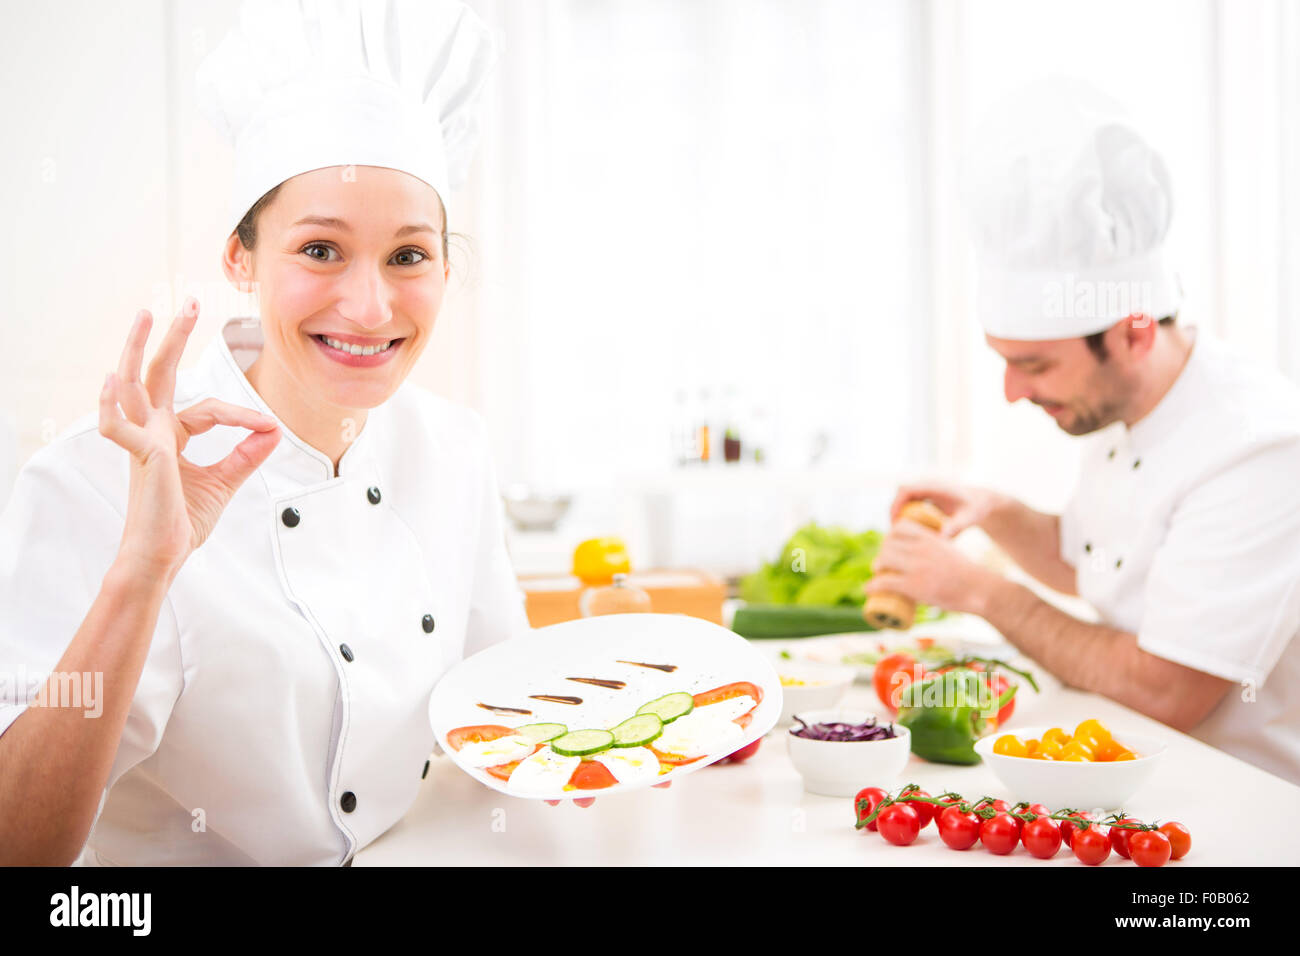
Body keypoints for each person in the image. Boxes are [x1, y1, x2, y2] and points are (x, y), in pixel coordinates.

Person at [0, 0, 531, 865]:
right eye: (320, 250)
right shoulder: (95, 480)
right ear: (240, 258)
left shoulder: (454, 450)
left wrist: (641, 732)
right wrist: (144, 571)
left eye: (408, 255)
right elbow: (16, 848)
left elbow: (508, 708)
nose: (370, 307)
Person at [867, 80, 1300, 786]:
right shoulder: (1115, 406)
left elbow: (1168, 689)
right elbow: (1100, 564)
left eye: (1032, 364)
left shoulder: (1259, 452)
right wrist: (995, 514)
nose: (1012, 393)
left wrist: (979, 592)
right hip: (1130, 781)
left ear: (1131, 333)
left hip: (1241, 807)